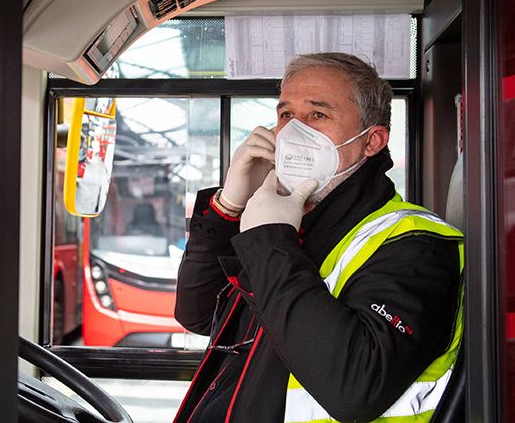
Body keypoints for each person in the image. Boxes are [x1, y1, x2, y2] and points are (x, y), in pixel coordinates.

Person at [174, 53, 463, 422]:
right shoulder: (292, 224)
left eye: (318, 115)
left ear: (372, 141)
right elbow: (198, 314)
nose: (293, 132)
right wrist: (228, 206)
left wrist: (269, 241)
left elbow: (356, 389)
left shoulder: (416, 245)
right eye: (285, 115)